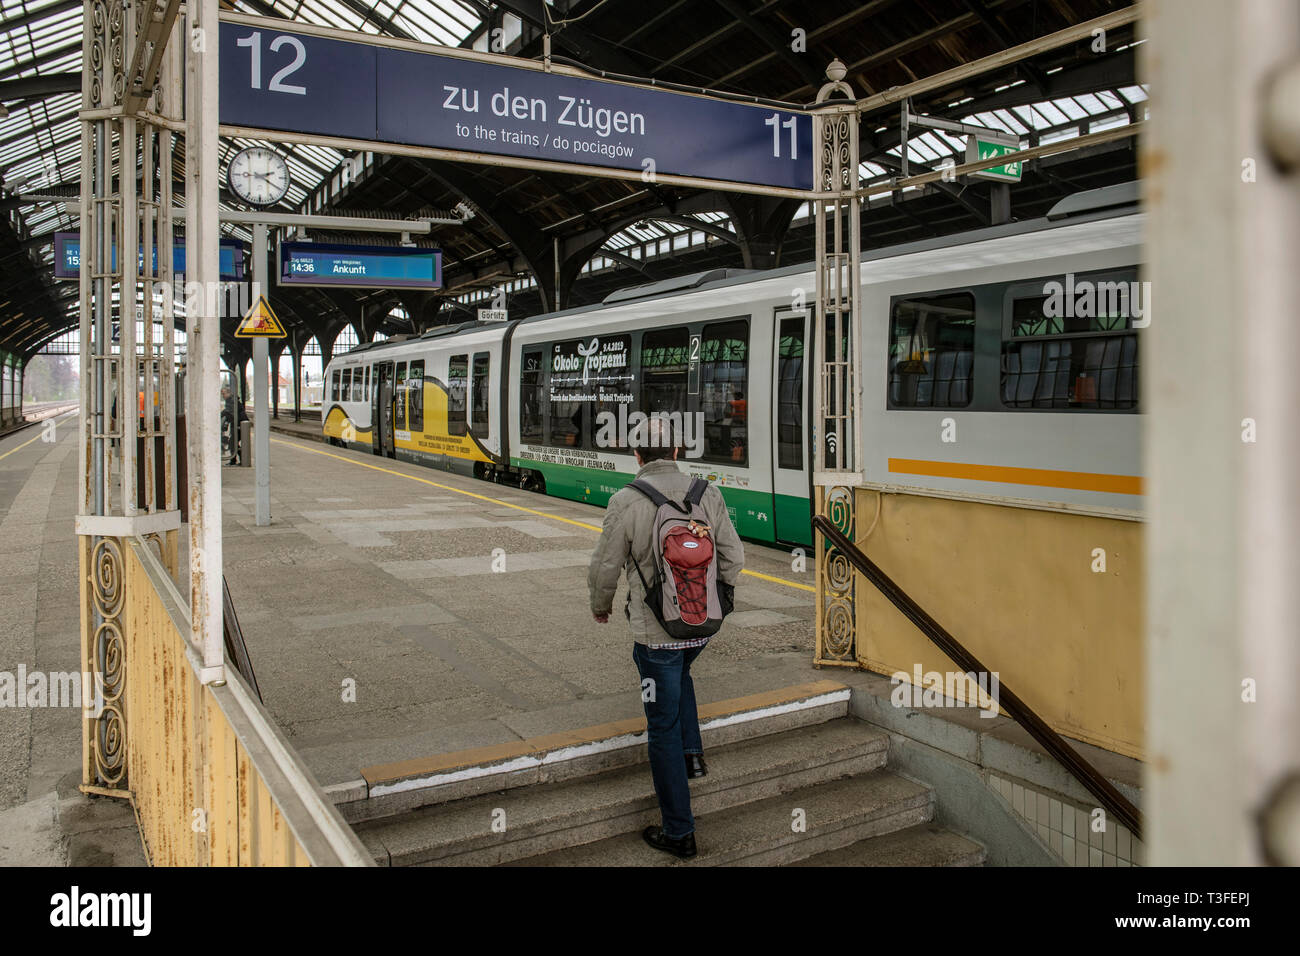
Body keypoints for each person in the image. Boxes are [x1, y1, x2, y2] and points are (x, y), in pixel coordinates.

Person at [587, 415, 744, 859]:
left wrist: (601, 607)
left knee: (661, 728)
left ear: (636, 456)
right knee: (683, 672)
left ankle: (679, 831)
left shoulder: (625, 500)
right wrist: (718, 603)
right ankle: (692, 754)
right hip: (701, 628)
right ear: (677, 452)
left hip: (656, 635)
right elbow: (733, 557)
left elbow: (605, 567)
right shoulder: (706, 493)